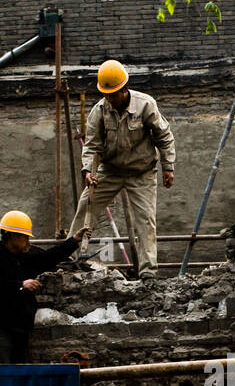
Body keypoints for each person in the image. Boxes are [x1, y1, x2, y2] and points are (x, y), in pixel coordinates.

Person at [69, 60, 175, 277]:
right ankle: (66, 258)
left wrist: (168, 166)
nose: (110, 98)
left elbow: (164, 136)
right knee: (84, 208)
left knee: (146, 221)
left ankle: (148, 273)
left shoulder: (145, 105)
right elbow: (91, 145)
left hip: (142, 173)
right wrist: (88, 171)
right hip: (110, 171)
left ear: (125, 88)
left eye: (114, 94)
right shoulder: (99, 111)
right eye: (106, 94)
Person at [0, 209, 79, 363]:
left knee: (20, 379)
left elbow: (48, 258)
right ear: (13, 236)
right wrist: (20, 285)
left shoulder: (24, 259)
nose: (28, 241)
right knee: (0, 378)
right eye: (25, 236)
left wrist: (74, 241)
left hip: (21, 331)